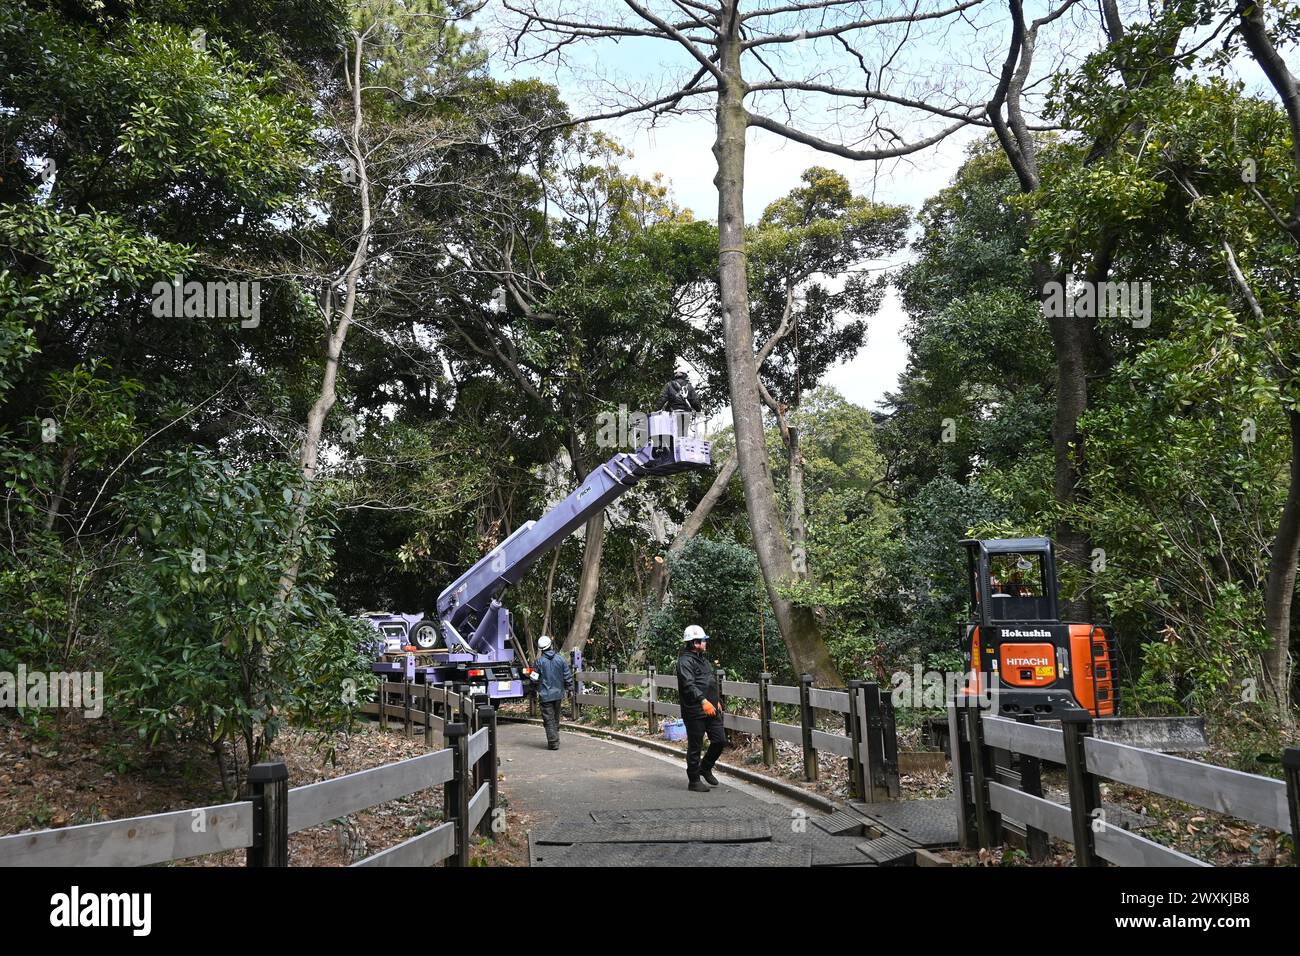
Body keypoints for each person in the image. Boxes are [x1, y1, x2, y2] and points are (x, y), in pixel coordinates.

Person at [675, 624, 724, 792]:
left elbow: (708, 681)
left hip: (711, 708)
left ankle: (706, 767)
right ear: (694, 643)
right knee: (695, 746)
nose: (705, 643)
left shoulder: (703, 660)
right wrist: (703, 701)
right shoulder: (684, 662)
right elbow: (689, 685)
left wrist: (714, 700)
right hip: (695, 710)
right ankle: (694, 780)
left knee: (719, 740)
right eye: (702, 641)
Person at [530, 636, 573, 750]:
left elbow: (533, 679)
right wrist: (570, 689)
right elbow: (567, 676)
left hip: (545, 695)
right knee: (555, 717)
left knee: (549, 719)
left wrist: (533, 690)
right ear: (551, 645)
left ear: (541, 649)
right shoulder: (561, 659)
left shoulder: (539, 662)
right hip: (558, 694)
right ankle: (555, 738)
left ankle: (553, 742)